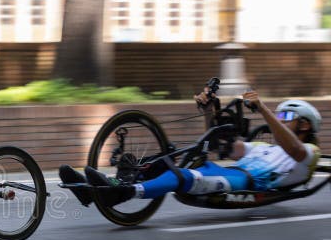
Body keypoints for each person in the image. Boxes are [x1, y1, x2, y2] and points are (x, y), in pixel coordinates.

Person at [60, 89, 322, 207]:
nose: (281, 121)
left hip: (246, 181)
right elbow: (222, 145)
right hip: (229, 170)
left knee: (181, 177)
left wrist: (264, 109)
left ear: (306, 126)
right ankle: (93, 189)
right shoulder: (262, 148)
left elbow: (296, 151)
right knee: (169, 157)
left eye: (288, 117)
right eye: (280, 116)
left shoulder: (310, 153)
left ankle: (125, 193)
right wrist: (209, 109)